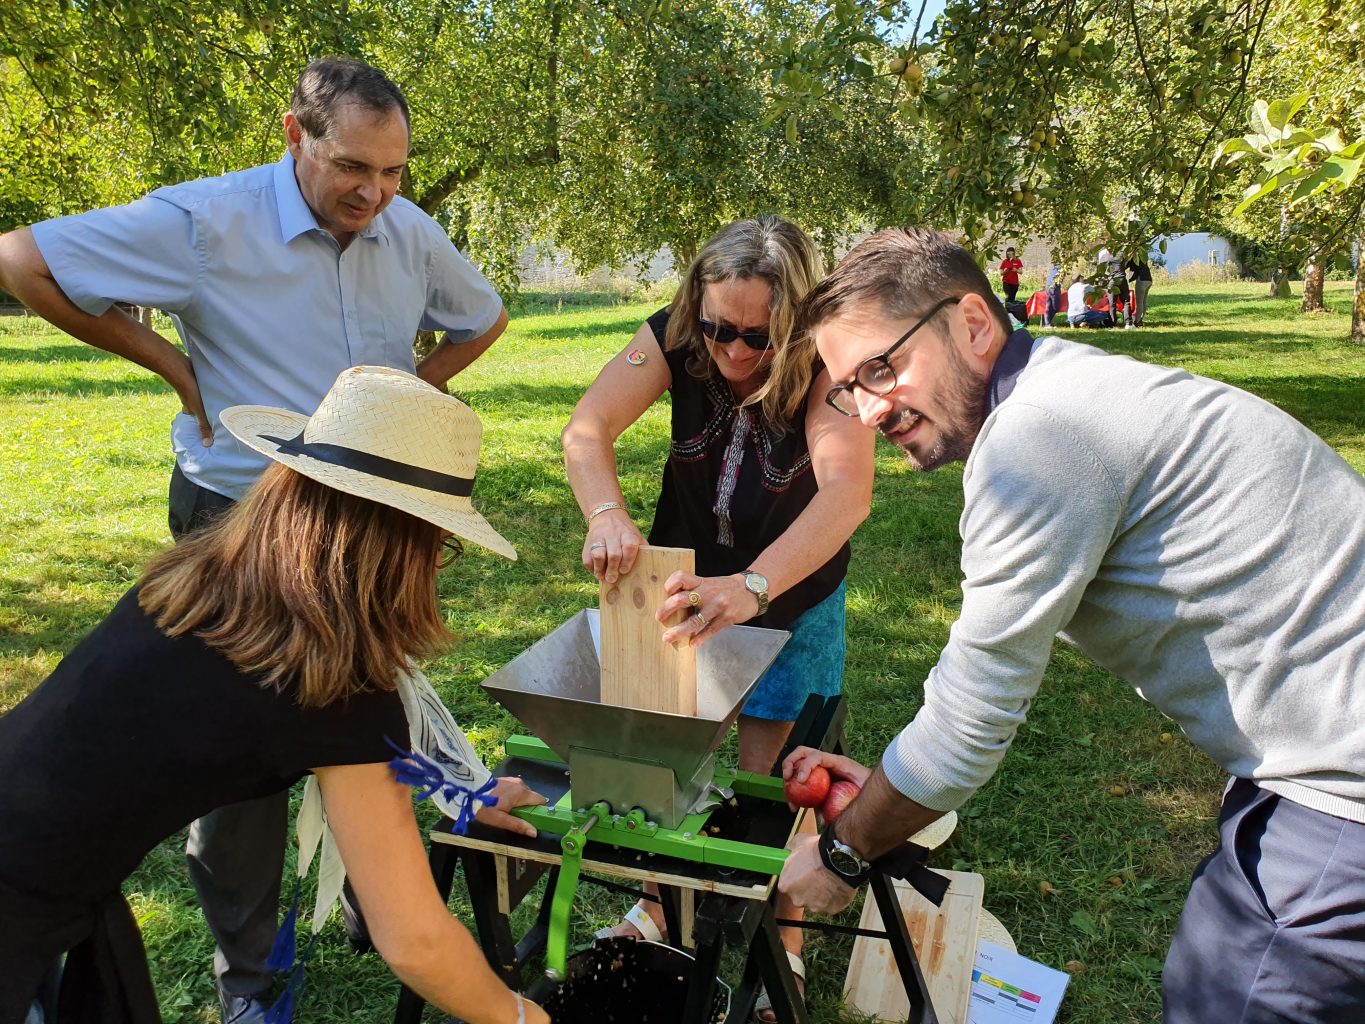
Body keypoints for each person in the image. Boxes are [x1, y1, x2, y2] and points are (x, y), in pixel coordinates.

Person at [0, 58, 508, 1019]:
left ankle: (376, 862)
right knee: (254, 767)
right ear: (295, 136)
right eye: (355, 167)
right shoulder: (205, 222)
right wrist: (169, 364)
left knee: (337, 704)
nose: (377, 192)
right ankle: (255, 980)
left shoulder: (408, 231)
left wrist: (404, 418)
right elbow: (21, 256)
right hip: (241, 525)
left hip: (340, 531)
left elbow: (482, 317)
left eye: (396, 172)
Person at [775, 227, 1365, 1024]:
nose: (870, 408)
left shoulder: (1038, 440)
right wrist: (887, 789)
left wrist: (845, 851)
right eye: (849, 387)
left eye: (882, 367)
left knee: (1227, 992)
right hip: (1322, 752)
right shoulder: (1062, 393)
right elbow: (967, 693)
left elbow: (967, 727)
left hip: (1340, 790)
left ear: (974, 324)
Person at [0, 366, 550, 1024]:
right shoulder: (327, 689)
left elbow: (359, 742)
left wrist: (466, 792)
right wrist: (523, 1018)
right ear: (400, 544)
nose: (437, 566)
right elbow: (415, 940)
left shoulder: (205, 583)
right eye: (440, 544)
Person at [561, 215, 874, 1019]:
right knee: (671, 752)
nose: (732, 353)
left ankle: (786, 942)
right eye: (716, 330)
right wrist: (604, 511)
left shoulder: (830, 367)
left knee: (778, 776)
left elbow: (845, 493)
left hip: (791, 597)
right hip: (685, 582)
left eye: (755, 336)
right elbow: (587, 428)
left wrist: (755, 589)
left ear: (797, 320)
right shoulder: (672, 337)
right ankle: (661, 908)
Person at [1126, 256, 1153, 325]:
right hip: (1148, 279)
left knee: (1139, 302)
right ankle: (1141, 319)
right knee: (1144, 301)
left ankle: (1137, 321)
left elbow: (1124, 265)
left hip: (1141, 280)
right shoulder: (1142, 255)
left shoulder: (1134, 257)